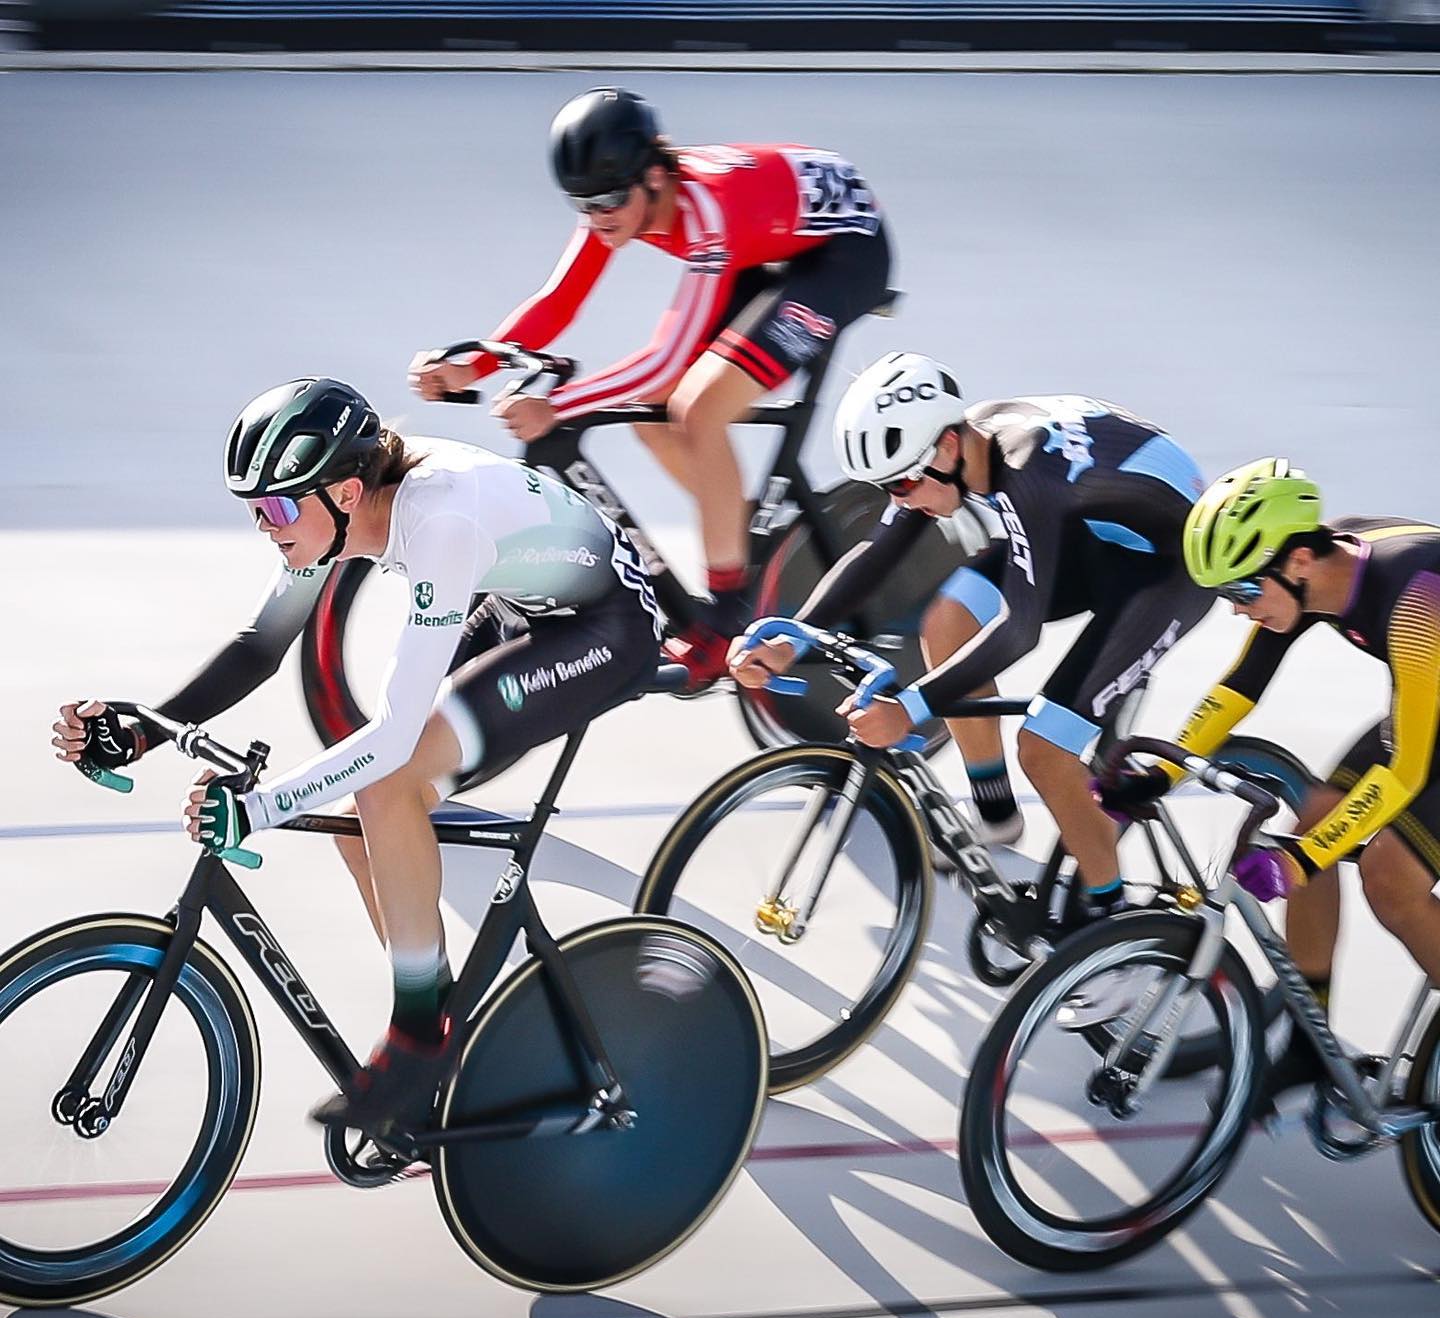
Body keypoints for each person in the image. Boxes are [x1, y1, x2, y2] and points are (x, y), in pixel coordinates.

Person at [52, 377, 660, 1135]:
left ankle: (420, 1037)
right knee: (355, 822)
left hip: (605, 629)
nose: (263, 526)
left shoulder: (438, 523)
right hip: (521, 604)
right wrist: (145, 729)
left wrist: (257, 809)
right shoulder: (335, 510)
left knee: (386, 785)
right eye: (253, 508)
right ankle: (434, 1011)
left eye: (276, 509)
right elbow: (261, 645)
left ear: (343, 492)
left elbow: (394, 738)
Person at [410, 86, 891, 688]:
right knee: (650, 414)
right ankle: (741, 537)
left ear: (656, 177)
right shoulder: (616, 199)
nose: (599, 217)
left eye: (611, 200)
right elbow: (559, 299)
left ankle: (726, 616)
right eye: (583, 204)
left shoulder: (707, 207)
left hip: (844, 253)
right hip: (771, 241)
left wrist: (557, 405)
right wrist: (474, 365)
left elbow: (663, 362)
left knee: (697, 407)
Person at [732, 351, 1212, 921]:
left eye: (903, 483)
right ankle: (996, 813)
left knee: (1044, 749)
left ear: (947, 447)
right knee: (947, 623)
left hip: (1164, 569)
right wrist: (796, 637)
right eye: (887, 488)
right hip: (1087, 534)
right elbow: (878, 550)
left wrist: (909, 709)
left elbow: (1018, 632)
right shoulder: (961, 447)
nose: (900, 501)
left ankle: (1110, 924)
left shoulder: (1026, 470)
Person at [1100, 457, 1440, 1110]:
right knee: (1315, 820)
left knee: (1389, 880)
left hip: (1428, 712)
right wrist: (1162, 771)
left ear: (1299, 561)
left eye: (1243, 590)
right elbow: (1240, 685)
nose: (1237, 609)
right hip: (1432, 703)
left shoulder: (1417, 597)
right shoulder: (1320, 568)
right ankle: (1313, 1045)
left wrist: (1301, 861)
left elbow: (1407, 773)